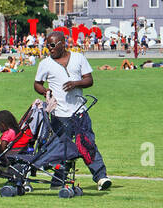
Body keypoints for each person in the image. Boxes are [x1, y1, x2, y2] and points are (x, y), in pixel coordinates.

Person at [33, 32, 112, 191]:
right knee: (60, 148)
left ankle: (101, 177)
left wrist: (75, 84)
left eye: (53, 45)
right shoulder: (45, 63)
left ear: (63, 43)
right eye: (48, 45)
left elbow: (89, 80)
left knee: (87, 144)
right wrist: (44, 91)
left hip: (79, 112)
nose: (50, 48)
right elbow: (37, 84)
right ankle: (59, 180)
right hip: (59, 114)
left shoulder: (78, 58)